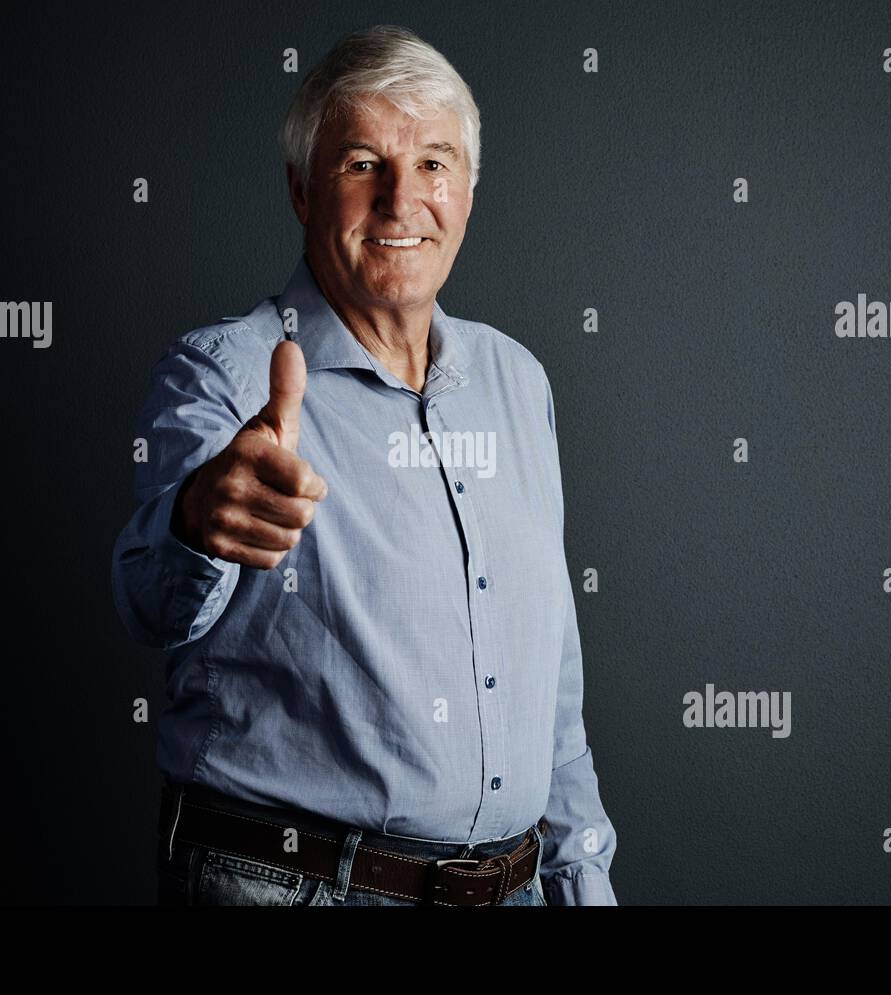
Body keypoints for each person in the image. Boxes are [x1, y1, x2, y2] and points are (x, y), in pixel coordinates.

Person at [112, 24, 618, 906]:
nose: (401, 200)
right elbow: (149, 601)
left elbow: (555, 695)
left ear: (467, 189)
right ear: (302, 190)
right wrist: (199, 522)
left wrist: (582, 881)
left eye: (433, 163)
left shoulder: (518, 380)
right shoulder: (224, 373)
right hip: (296, 885)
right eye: (360, 164)